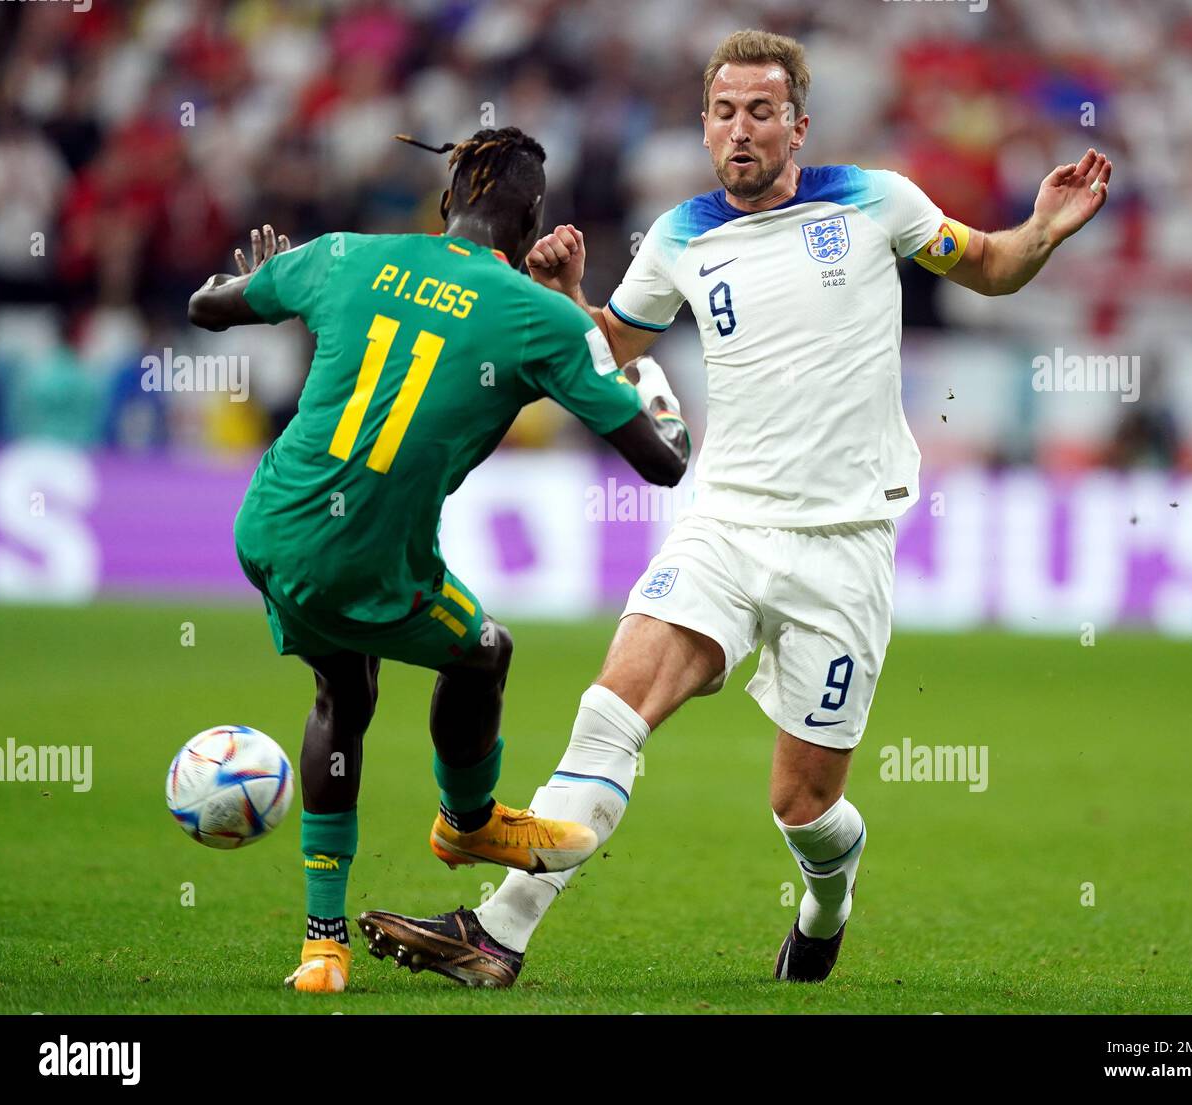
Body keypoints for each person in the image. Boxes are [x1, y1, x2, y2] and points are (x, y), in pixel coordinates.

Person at [359, 29, 1111, 988]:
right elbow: (610, 352)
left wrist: (1041, 228)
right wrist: (566, 298)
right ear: (705, 127)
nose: (741, 130)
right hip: (723, 526)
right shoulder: (678, 234)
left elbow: (993, 266)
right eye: (724, 113)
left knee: (803, 807)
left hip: (844, 544)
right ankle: (496, 936)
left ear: (799, 124)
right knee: (609, 709)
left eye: (761, 112)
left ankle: (826, 903)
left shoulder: (877, 200)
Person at [186, 126, 691, 993]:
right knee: (482, 648)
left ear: (449, 199)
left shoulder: (343, 253)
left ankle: (323, 945)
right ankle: (466, 820)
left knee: (343, 691)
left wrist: (252, 278)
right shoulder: (534, 316)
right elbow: (665, 461)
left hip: (267, 531)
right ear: (533, 220)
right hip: (371, 561)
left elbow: (208, 307)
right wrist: (587, 321)